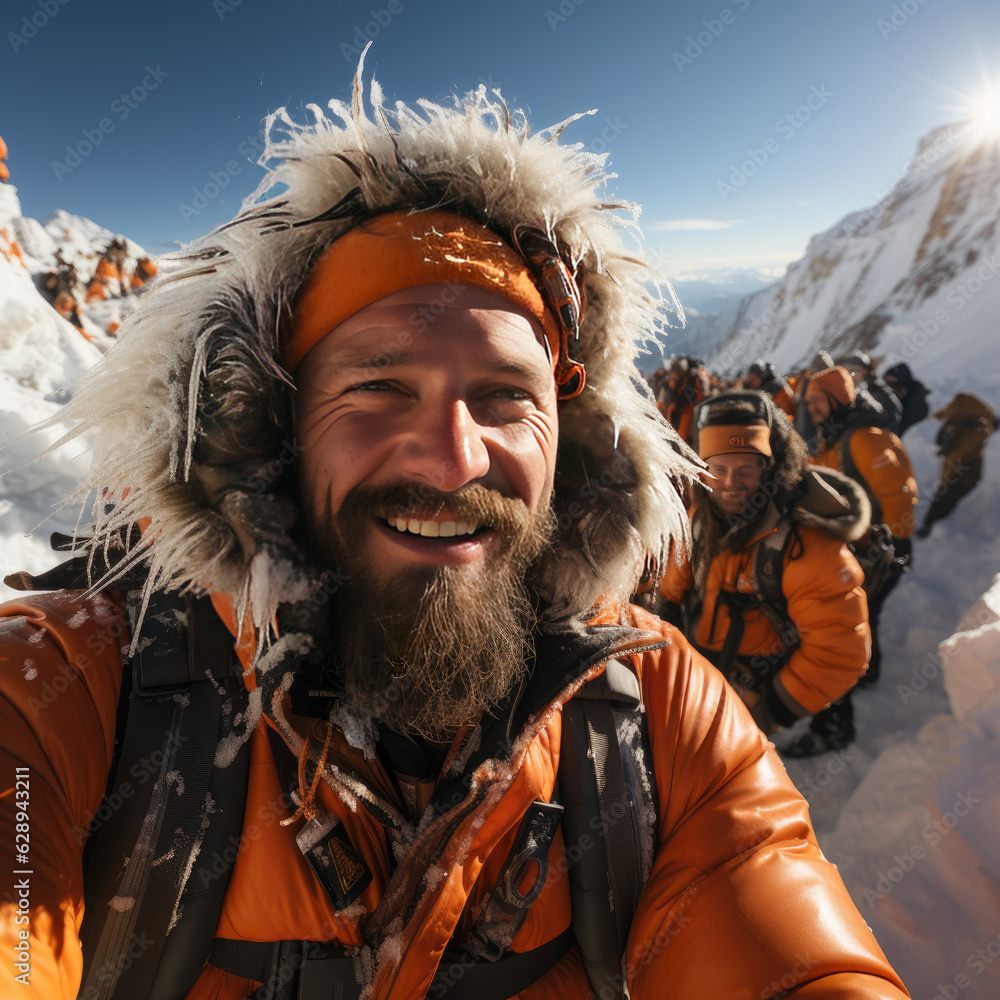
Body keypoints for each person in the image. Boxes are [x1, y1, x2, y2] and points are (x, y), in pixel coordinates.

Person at [0, 76, 910, 1000]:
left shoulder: (658, 710)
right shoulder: (80, 691)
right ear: (277, 428)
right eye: (380, 388)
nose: (451, 459)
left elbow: (789, 946)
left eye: (506, 397)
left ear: (572, 439)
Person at [658, 391, 871, 752]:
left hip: (749, 688)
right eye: (718, 470)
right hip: (699, 676)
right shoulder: (701, 519)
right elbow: (673, 587)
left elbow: (841, 651)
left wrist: (769, 707)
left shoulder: (808, 544)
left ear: (769, 469)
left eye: (746, 470)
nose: (729, 484)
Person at [805, 366, 917, 712]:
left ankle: (842, 705)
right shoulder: (837, 434)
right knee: (863, 614)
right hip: (864, 546)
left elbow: (901, 497)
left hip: (883, 550)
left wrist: (882, 541)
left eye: (818, 400)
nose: (811, 408)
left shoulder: (864, 437)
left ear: (837, 399)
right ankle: (865, 674)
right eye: (808, 401)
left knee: (851, 620)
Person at [917, 392, 998, 537]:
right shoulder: (978, 416)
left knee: (946, 492)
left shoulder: (972, 416)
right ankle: (931, 522)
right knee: (948, 492)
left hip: (961, 467)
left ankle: (931, 522)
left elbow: (951, 411)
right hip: (964, 467)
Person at [836, 350, 903, 434]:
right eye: (851, 370)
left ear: (865, 371)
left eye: (857, 370)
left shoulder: (877, 388)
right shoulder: (846, 391)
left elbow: (893, 414)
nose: (852, 374)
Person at [882, 362, 930, 436]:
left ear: (904, 389)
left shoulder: (917, 407)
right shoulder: (892, 405)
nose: (887, 390)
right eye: (884, 385)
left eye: (892, 386)